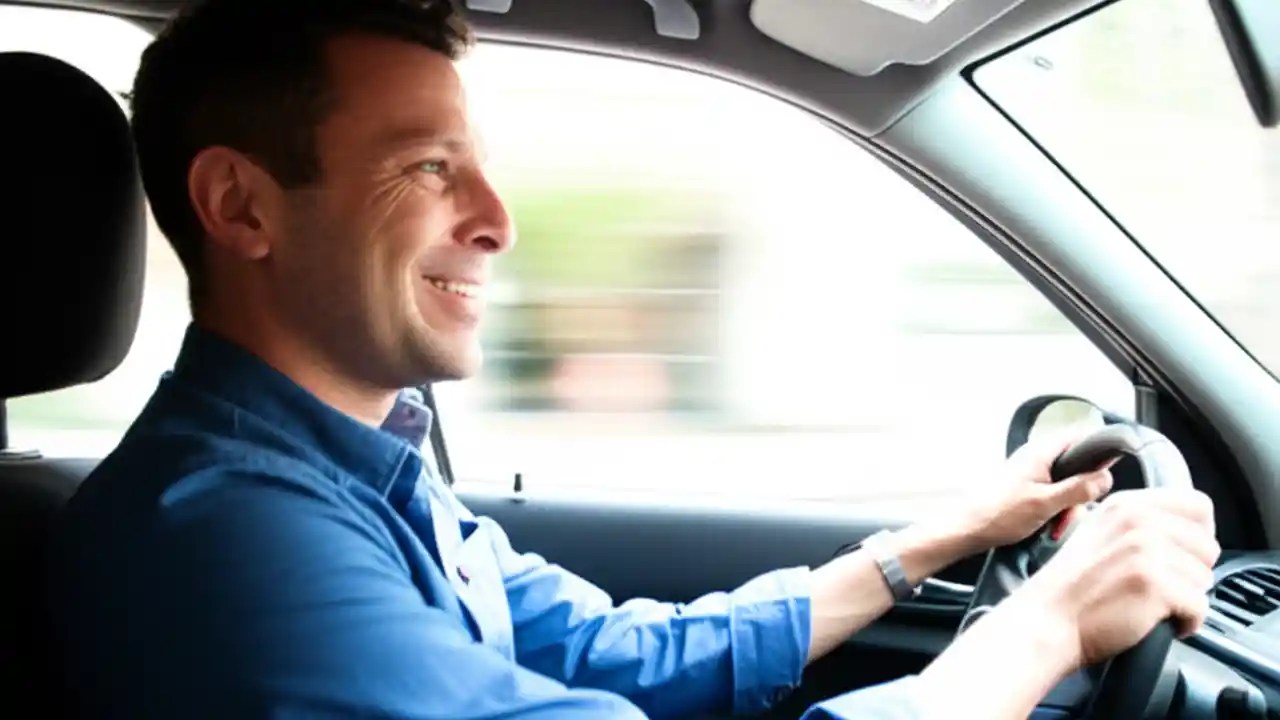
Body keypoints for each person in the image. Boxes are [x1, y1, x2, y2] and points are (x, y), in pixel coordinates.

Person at [48, 1, 1221, 718]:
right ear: (240, 206)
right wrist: (1046, 629)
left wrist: (946, 537)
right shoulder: (228, 540)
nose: (498, 219)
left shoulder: (357, 470)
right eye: (426, 168)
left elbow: (627, 654)